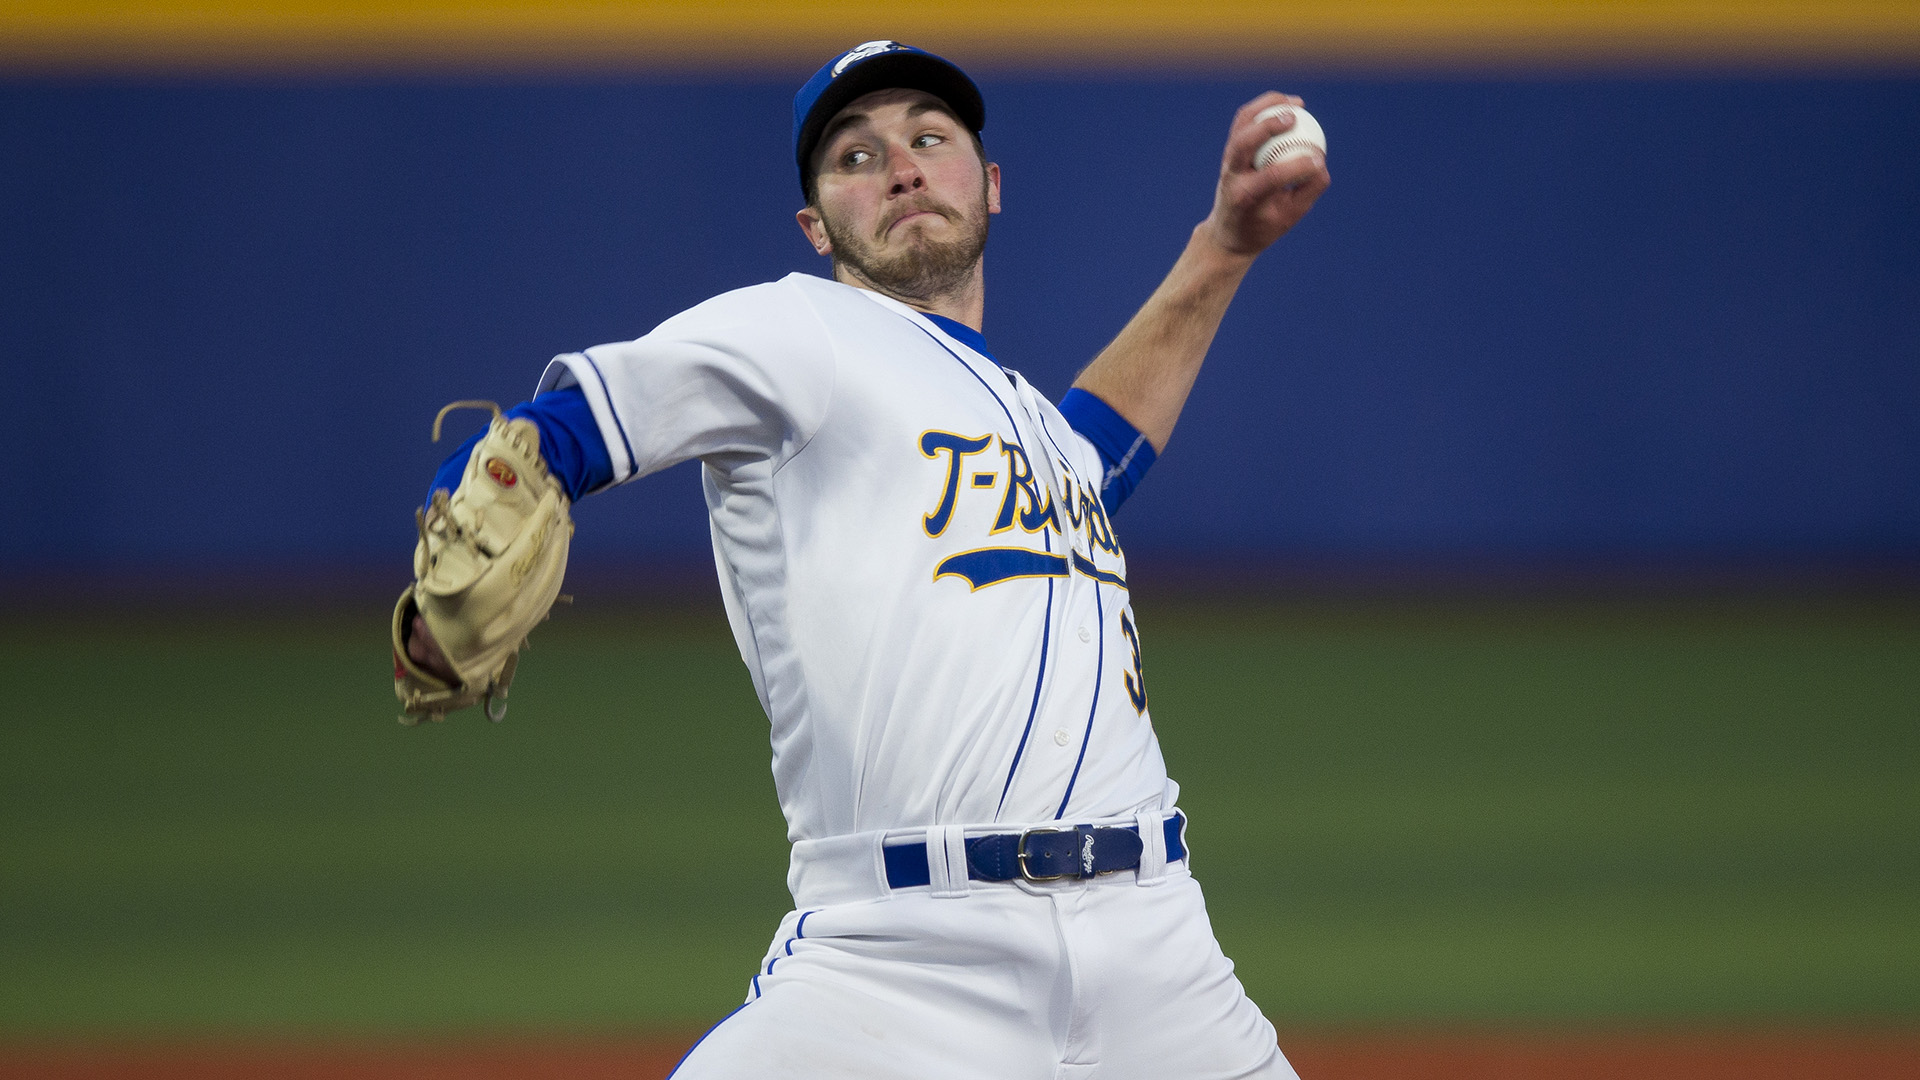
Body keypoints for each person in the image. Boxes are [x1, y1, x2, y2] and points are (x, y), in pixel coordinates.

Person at [401, 40, 1328, 1079]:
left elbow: (1092, 456)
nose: (900, 165)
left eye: (930, 139)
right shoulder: (801, 335)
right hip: (900, 962)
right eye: (855, 155)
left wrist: (1223, 247)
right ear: (816, 226)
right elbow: (553, 435)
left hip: (1163, 956)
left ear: (990, 184)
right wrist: (448, 541)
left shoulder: (1022, 423)